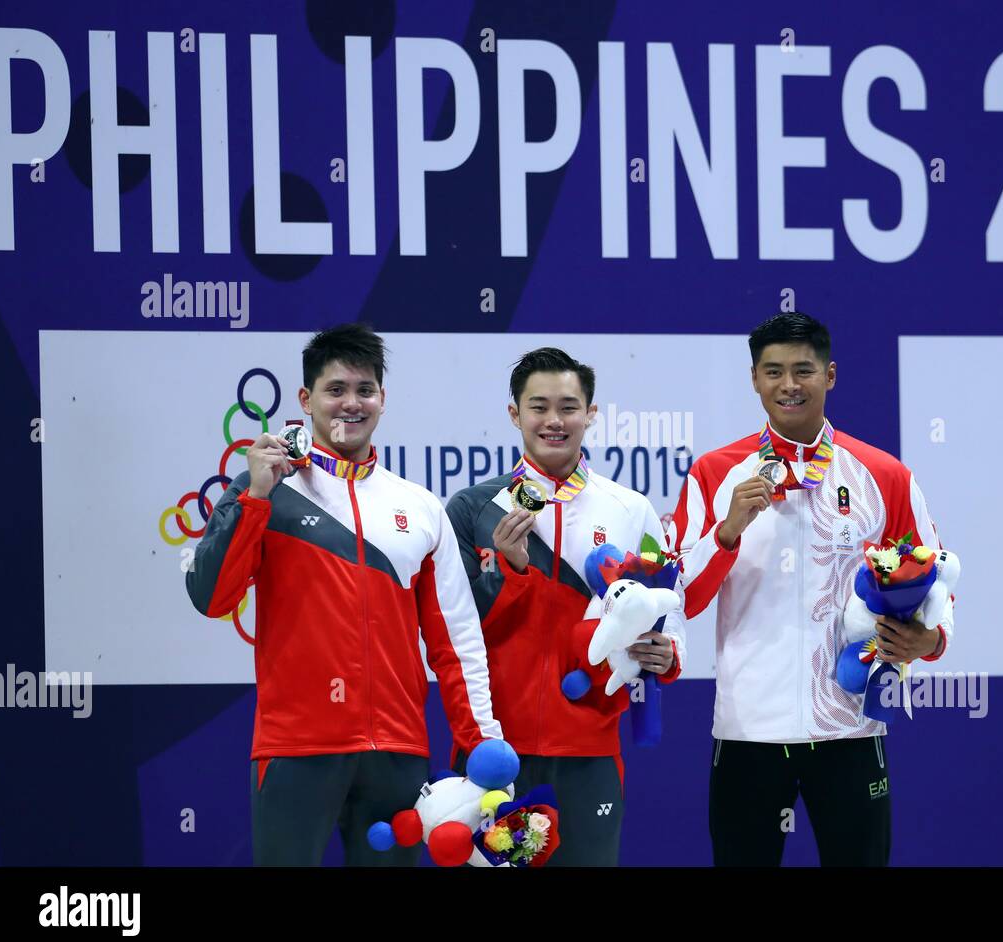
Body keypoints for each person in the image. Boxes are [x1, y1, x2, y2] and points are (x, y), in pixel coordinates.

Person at [186, 323, 502, 866]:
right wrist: (256, 495)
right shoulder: (264, 488)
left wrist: (484, 746)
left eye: (364, 390)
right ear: (306, 400)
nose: (350, 404)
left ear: (383, 400)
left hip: (397, 754)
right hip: (296, 747)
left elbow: (457, 640)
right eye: (335, 390)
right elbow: (211, 596)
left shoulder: (420, 507)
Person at [670, 312, 955, 867]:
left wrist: (931, 641)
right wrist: (726, 532)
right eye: (773, 371)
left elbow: (935, 577)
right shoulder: (715, 473)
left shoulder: (884, 473)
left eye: (803, 370)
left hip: (850, 725)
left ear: (830, 375)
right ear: (754, 379)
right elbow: (682, 597)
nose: (788, 384)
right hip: (749, 731)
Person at [445, 347, 687, 866]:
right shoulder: (472, 507)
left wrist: (669, 654)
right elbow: (455, 631)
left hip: (590, 747)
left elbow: (671, 608)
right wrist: (511, 569)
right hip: (495, 748)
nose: (554, 421)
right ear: (514, 414)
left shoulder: (629, 507)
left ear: (591, 414)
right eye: (538, 406)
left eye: (568, 407)